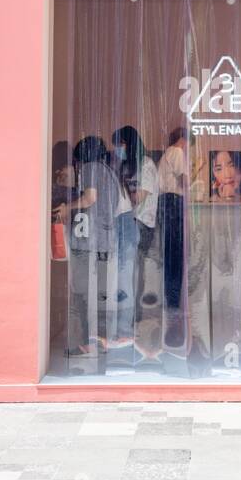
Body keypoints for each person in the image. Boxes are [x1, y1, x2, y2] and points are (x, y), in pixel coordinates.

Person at [55, 136, 123, 355]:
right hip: (106, 242)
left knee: (81, 295)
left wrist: (68, 207)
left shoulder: (90, 168)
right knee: (100, 296)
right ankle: (99, 342)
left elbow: (89, 198)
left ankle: (84, 343)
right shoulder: (109, 172)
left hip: (89, 243)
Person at [107, 125, 155, 350]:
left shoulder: (145, 164)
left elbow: (139, 198)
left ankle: (131, 323)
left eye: (121, 144)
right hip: (128, 221)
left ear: (130, 143)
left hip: (141, 222)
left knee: (131, 274)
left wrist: (121, 190)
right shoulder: (124, 165)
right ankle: (129, 322)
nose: (117, 149)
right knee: (129, 273)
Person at [156, 127, 189, 348]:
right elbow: (185, 181)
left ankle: (171, 300)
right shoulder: (177, 152)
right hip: (173, 203)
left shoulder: (166, 154)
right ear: (184, 139)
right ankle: (174, 302)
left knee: (170, 253)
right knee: (176, 254)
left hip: (165, 204)